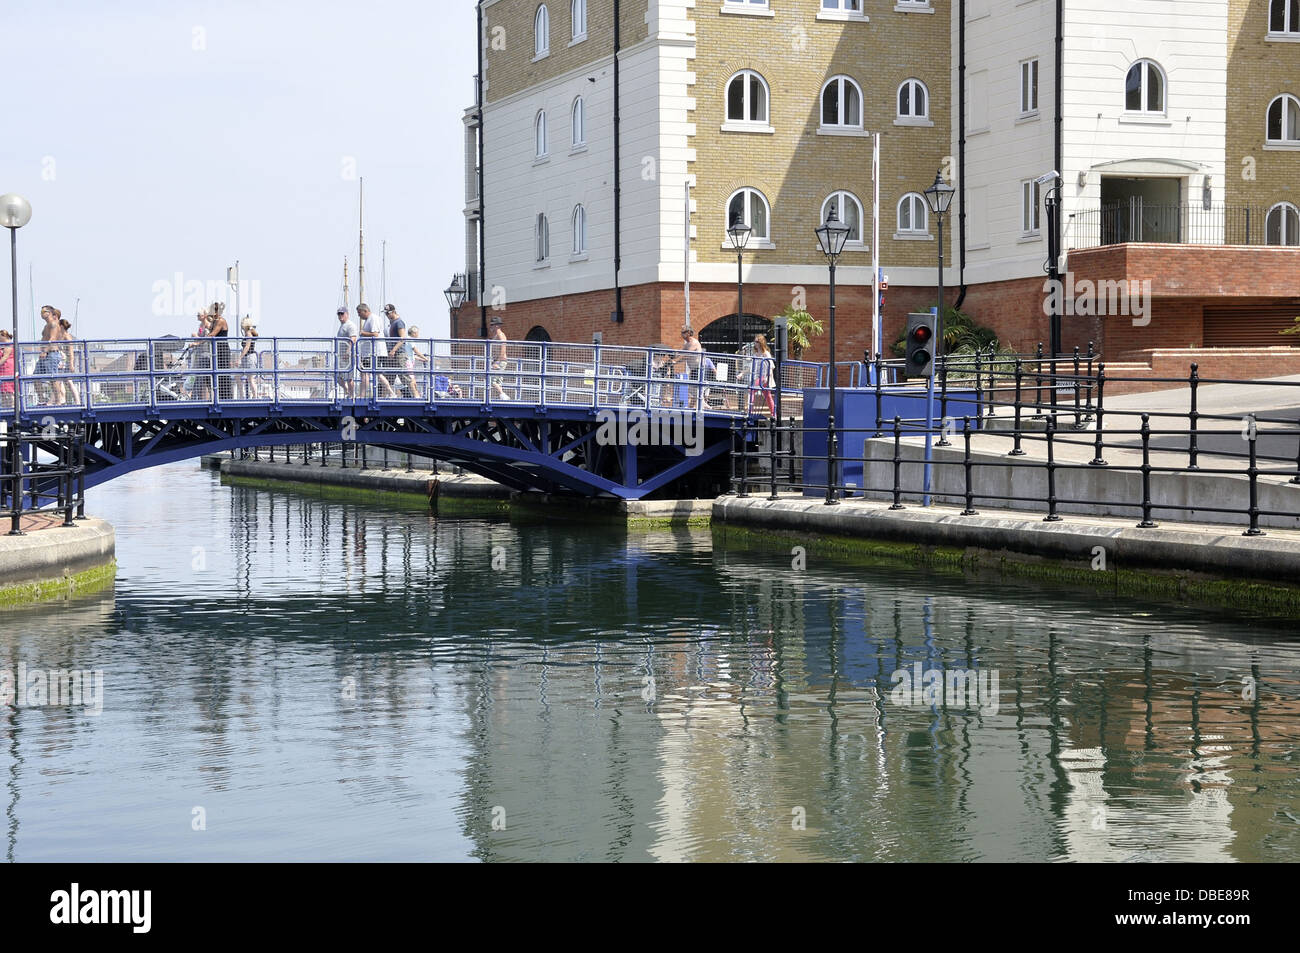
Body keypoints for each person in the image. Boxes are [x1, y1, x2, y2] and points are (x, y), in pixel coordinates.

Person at [357, 303, 396, 399]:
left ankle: (362, 396)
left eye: (359, 313)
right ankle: (391, 392)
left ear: (365, 311)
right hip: (371, 352)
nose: (358, 315)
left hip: (374, 352)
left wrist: (362, 333)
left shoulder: (373, 318)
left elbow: (375, 334)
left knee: (366, 373)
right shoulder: (369, 320)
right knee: (376, 373)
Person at [385, 304, 420, 399]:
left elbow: (402, 338)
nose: (386, 315)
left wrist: (393, 350)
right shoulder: (392, 323)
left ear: (393, 312)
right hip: (394, 355)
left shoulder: (399, 322)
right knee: (389, 375)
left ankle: (416, 396)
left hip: (399, 353)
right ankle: (389, 395)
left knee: (405, 376)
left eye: (388, 313)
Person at [36, 306, 67, 406]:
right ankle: (42, 399)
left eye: (44, 311)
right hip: (44, 356)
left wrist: (45, 351)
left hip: (52, 354)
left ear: (50, 313)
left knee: (53, 378)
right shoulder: (46, 326)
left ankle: (58, 401)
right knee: (35, 377)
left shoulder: (53, 324)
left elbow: (52, 339)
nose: (42, 313)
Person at [209, 302, 232, 402]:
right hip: (216, 351)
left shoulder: (221, 321)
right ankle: (219, 398)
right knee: (216, 375)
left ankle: (227, 399)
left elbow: (213, 334)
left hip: (223, 350)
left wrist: (198, 342)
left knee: (223, 374)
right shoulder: (214, 321)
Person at [749, 334, 776, 416]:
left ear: (761, 342)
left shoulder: (766, 354)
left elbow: (771, 366)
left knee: (751, 390)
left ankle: (750, 411)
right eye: (755, 342)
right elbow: (751, 366)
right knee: (768, 396)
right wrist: (742, 373)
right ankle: (773, 413)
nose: (755, 343)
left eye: (757, 342)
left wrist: (767, 377)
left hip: (764, 377)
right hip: (758, 377)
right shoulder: (755, 354)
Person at [335, 306, 358, 399]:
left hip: (348, 356)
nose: (340, 316)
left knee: (349, 377)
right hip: (340, 356)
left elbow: (353, 338)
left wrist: (347, 352)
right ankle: (347, 390)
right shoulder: (342, 325)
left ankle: (352, 395)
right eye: (339, 314)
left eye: (342, 313)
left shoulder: (350, 325)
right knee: (337, 376)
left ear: (347, 314)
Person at [59, 317, 81, 405]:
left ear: (61, 326)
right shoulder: (62, 336)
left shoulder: (67, 337)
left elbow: (71, 352)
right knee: (65, 381)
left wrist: (71, 363)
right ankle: (68, 399)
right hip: (64, 361)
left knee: (68, 381)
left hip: (67, 362)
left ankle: (77, 401)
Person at [488, 316, 510, 401]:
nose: (491, 327)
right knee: (497, 381)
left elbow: (503, 347)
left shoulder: (500, 335)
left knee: (492, 380)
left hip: (500, 361)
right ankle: (501, 396)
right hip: (496, 360)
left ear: (497, 325)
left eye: (492, 325)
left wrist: (498, 362)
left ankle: (502, 395)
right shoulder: (496, 335)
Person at [238, 317, 260, 399]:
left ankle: (255, 396)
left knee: (250, 379)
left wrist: (239, 358)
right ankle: (242, 395)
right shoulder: (247, 333)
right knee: (237, 375)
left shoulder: (249, 334)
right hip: (246, 358)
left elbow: (247, 347)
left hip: (249, 357)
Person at [0, 330, 13, 410]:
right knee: (4, 392)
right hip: (3, 370)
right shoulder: (5, 346)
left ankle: (12, 407)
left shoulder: (8, 346)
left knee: (9, 392)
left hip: (7, 370)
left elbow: (4, 358)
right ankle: (5, 408)